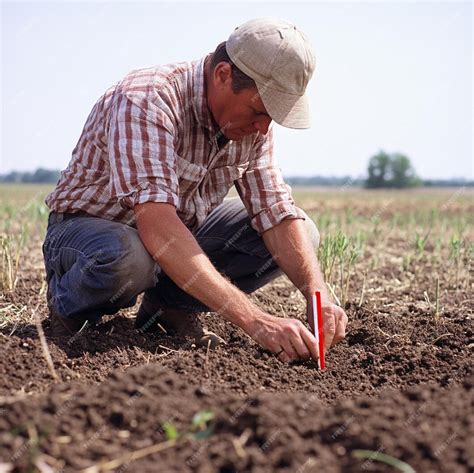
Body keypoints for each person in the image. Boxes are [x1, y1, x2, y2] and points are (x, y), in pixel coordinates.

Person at [43, 17, 348, 363]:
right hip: (85, 237)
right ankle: (69, 312)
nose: (264, 128)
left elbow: (276, 211)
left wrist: (317, 292)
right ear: (222, 75)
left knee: (301, 232)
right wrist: (258, 322)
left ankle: (166, 309)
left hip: (171, 237)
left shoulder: (252, 129)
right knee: (128, 257)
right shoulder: (147, 99)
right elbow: (157, 227)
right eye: (260, 111)